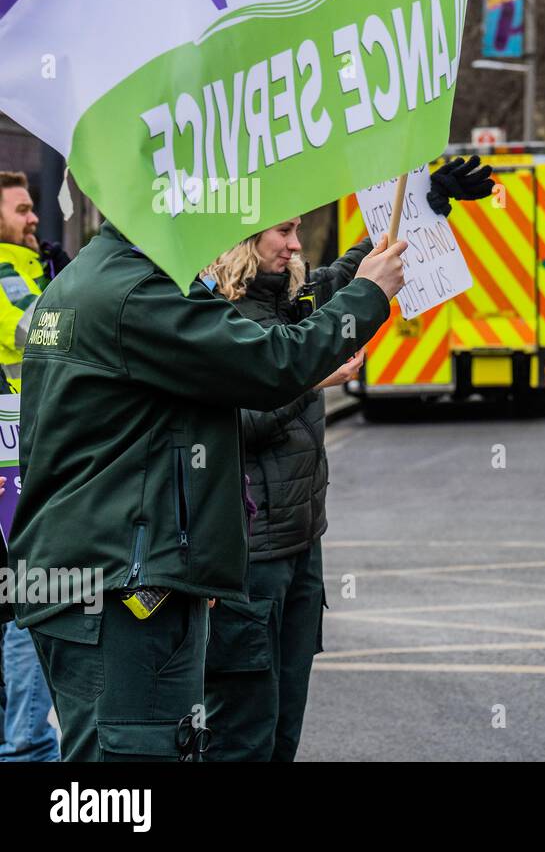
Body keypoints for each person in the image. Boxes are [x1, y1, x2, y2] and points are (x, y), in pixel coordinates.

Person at [8, 214, 407, 761]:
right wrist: (368, 295)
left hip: (104, 577)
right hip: (119, 589)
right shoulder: (137, 292)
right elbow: (271, 364)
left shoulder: (94, 277)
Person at [200, 155, 492, 760]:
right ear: (242, 241)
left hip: (301, 546)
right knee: (243, 734)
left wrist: (425, 204)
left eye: (296, 229)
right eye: (283, 231)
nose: (294, 243)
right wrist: (313, 382)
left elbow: (351, 275)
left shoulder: (286, 297)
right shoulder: (222, 318)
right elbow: (235, 422)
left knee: (282, 730)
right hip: (250, 561)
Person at [0, 171, 59, 762]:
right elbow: (46, 335)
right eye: (20, 209)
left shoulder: (29, 268)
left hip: (24, 459)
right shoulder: (2, 272)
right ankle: (27, 749)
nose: (33, 217)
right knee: (26, 604)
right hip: (15, 471)